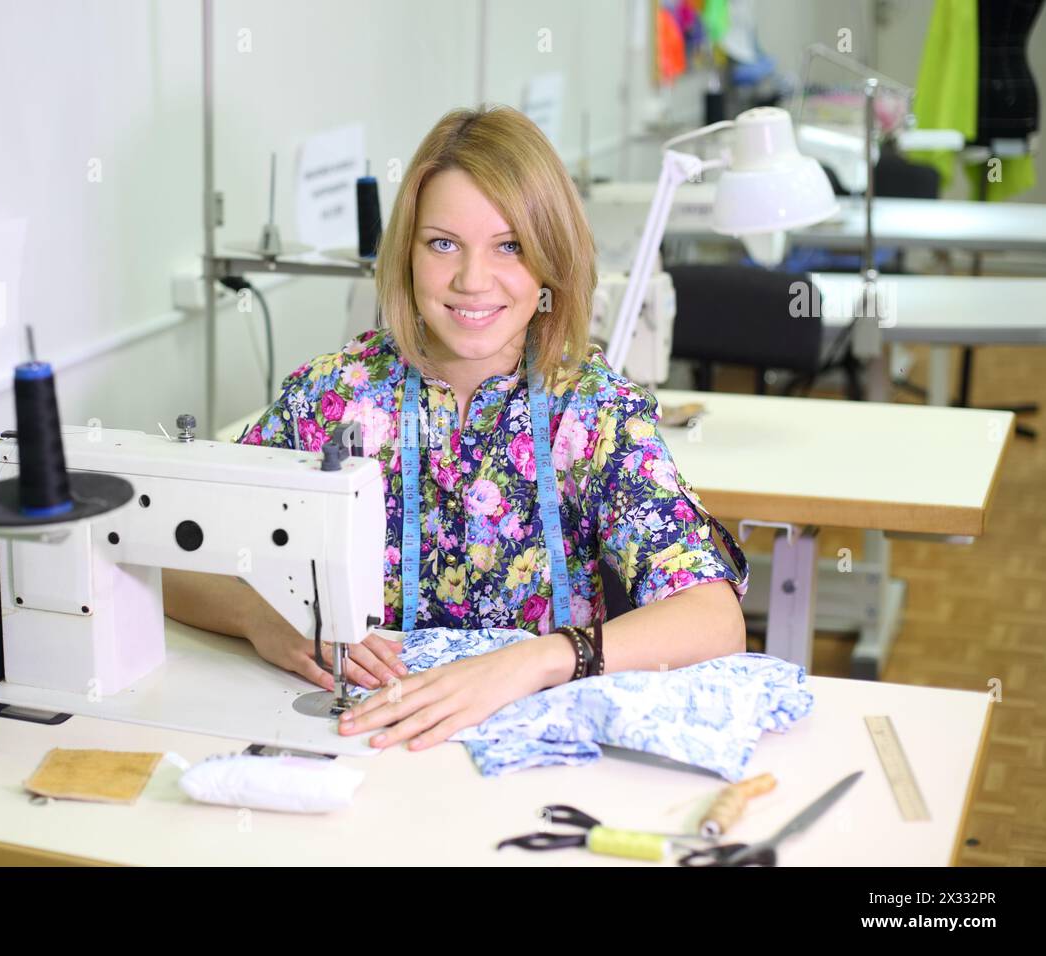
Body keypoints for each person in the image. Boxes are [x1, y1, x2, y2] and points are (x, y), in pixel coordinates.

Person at [163, 104, 748, 752]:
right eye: (443, 243)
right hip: (361, 748)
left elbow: (715, 620)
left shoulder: (591, 411)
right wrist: (257, 617)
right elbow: (169, 555)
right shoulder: (330, 397)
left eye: (509, 246)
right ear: (407, 254)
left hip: (533, 754)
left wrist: (535, 660)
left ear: (550, 259)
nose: (472, 280)